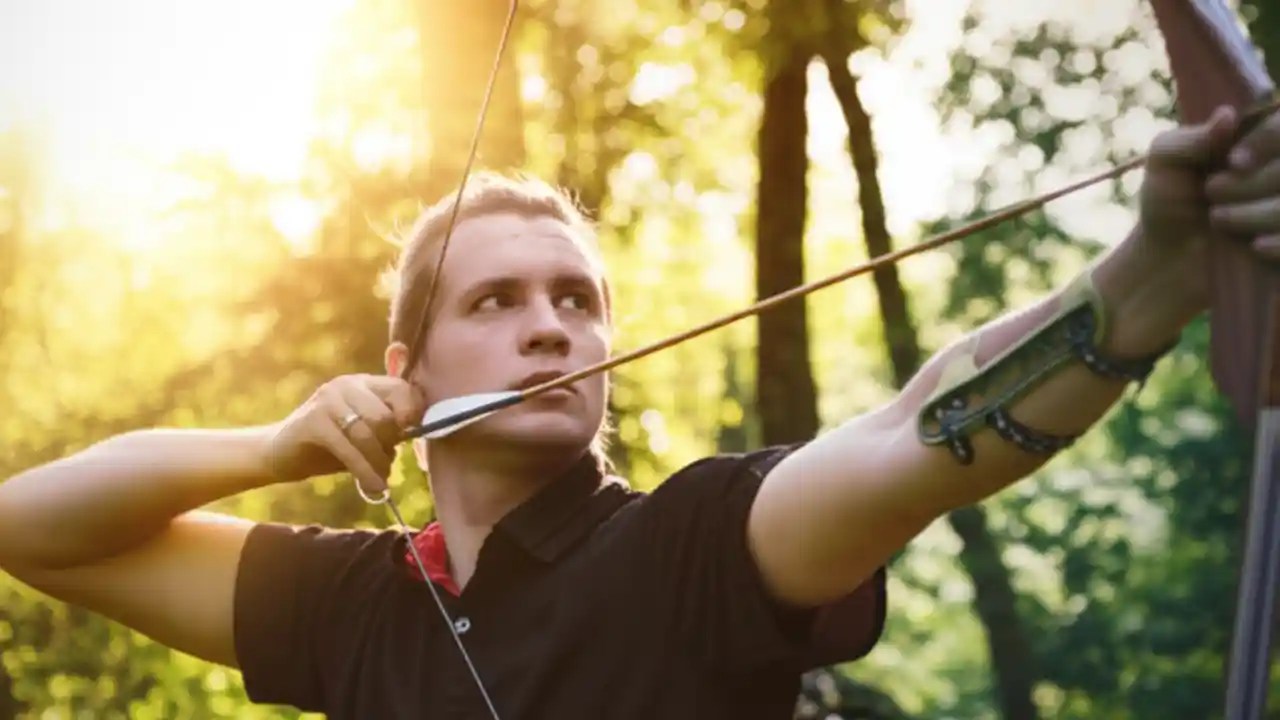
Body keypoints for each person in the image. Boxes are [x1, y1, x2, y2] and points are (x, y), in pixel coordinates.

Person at [1, 104, 1278, 719]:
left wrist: (1147, 280)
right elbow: (32, 528)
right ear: (411, 367)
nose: (549, 325)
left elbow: (911, 436)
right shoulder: (353, 603)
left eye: (575, 298)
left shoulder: (690, 545)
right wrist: (275, 445)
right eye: (494, 301)